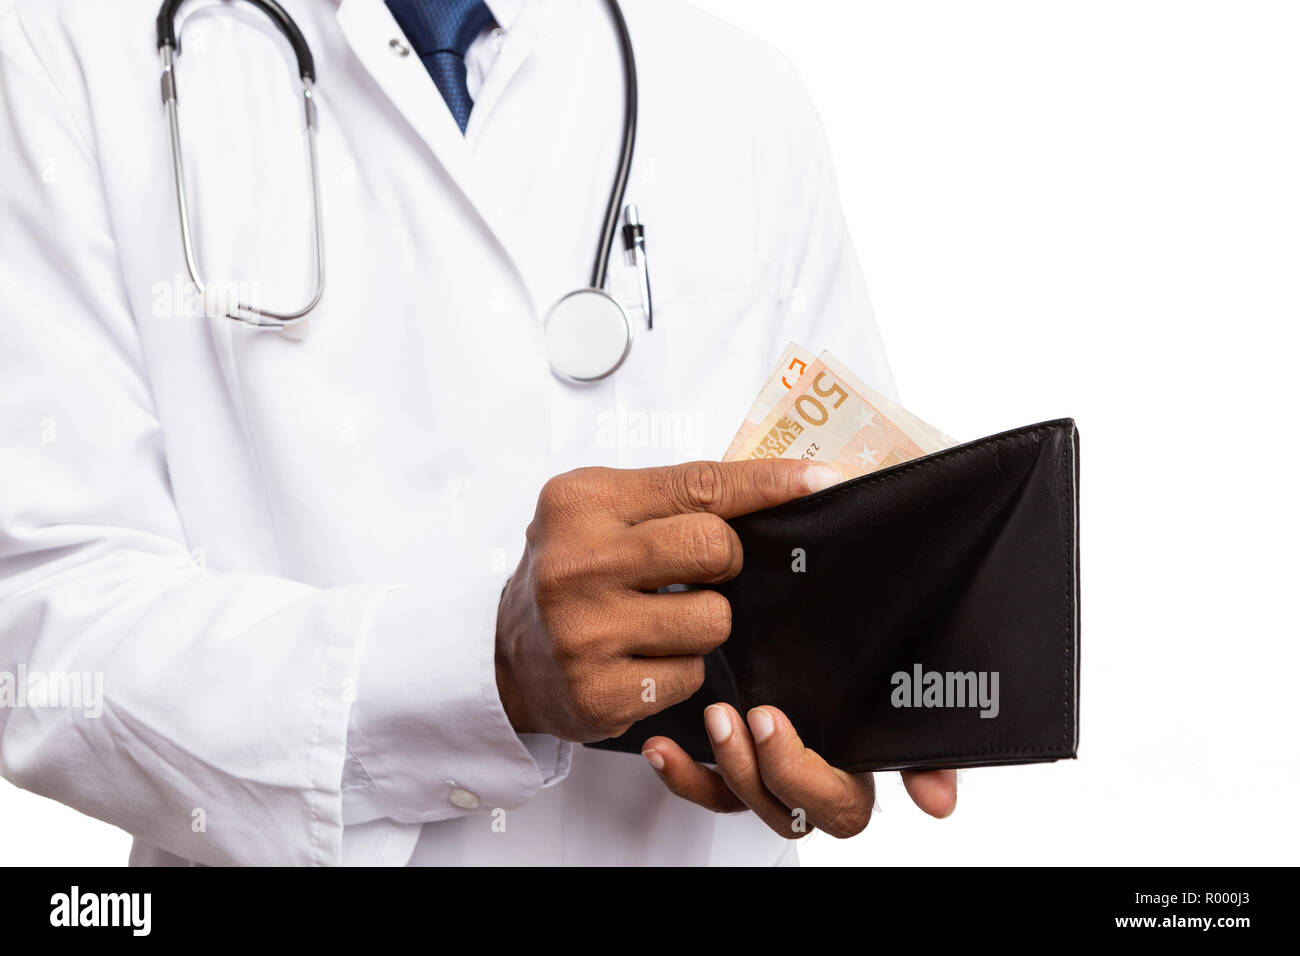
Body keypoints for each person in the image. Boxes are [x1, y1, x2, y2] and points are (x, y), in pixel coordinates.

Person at [0, 0, 955, 866]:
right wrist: (482, 669)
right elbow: (40, 632)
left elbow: (837, 515)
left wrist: (858, 697)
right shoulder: (67, 49)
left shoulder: (740, 90)